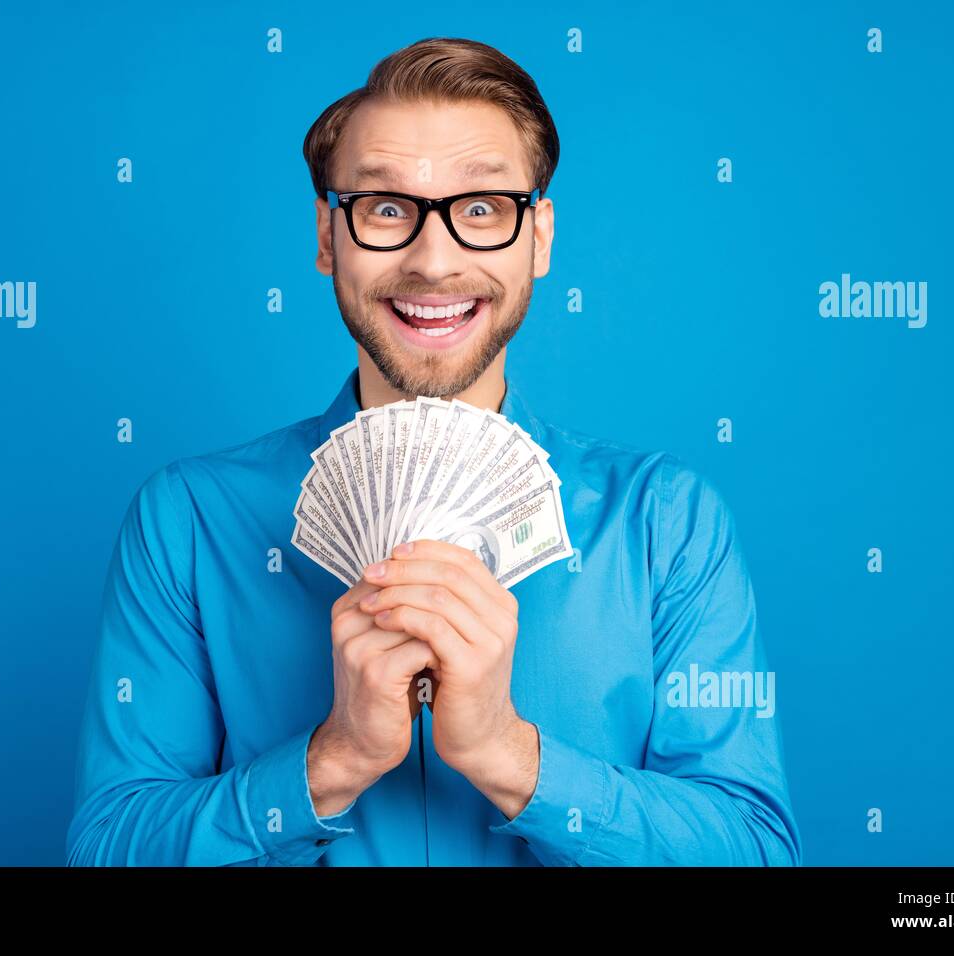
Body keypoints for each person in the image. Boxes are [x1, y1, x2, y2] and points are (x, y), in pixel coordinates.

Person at [66, 36, 802, 866]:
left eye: (482, 208)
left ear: (540, 238)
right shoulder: (188, 520)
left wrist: (508, 756)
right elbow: (108, 850)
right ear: (326, 236)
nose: (434, 260)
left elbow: (756, 851)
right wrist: (332, 761)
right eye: (386, 209)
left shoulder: (666, 520)